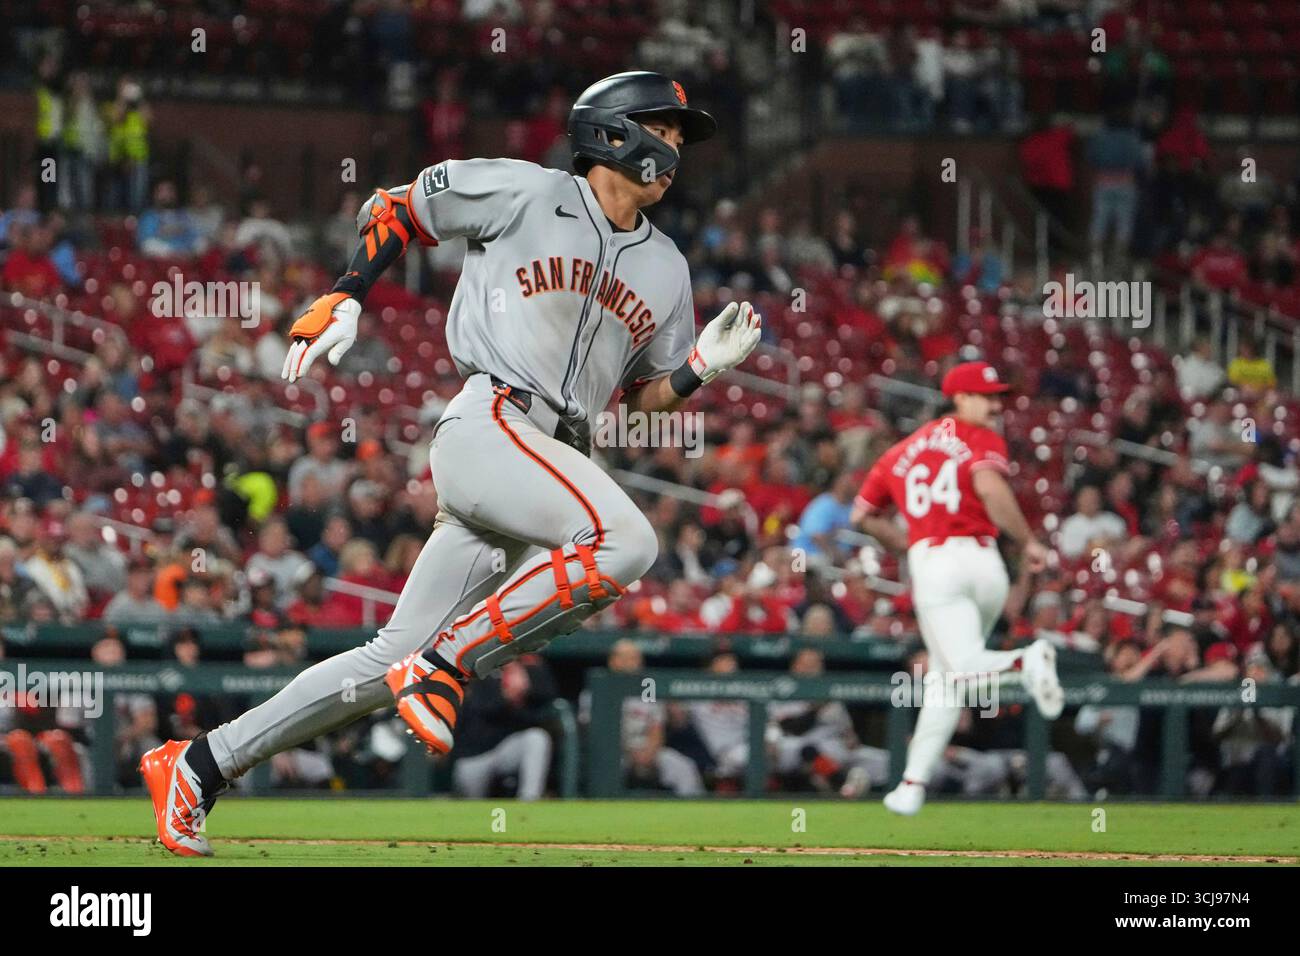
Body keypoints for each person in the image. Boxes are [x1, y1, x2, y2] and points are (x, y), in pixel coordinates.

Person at [140, 72, 762, 856]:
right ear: (612, 131)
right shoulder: (526, 192)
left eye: (682, 138)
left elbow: (639, 398)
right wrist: (350, 291)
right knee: (627, 544)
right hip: (492, 423)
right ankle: (446, 663)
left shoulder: (667, 266)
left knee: (385, 658)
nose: (676, 150)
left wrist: (699, 369)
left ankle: (198, 763)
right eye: (664, 130)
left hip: (549, 461)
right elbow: (397, 206)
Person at [852, 360, 1063, 816]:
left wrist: (908, 543)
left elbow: (862, 515)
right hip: (986, 564)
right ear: (958, 398)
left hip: (938, 562)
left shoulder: (899, 452)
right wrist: (1027, 542)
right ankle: (911, 784)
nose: (994, 404)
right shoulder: (978, 438)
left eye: (997, 396)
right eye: (985, 396)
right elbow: (989, 487)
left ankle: (1026, 659)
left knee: (962, 669)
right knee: (948, 681)